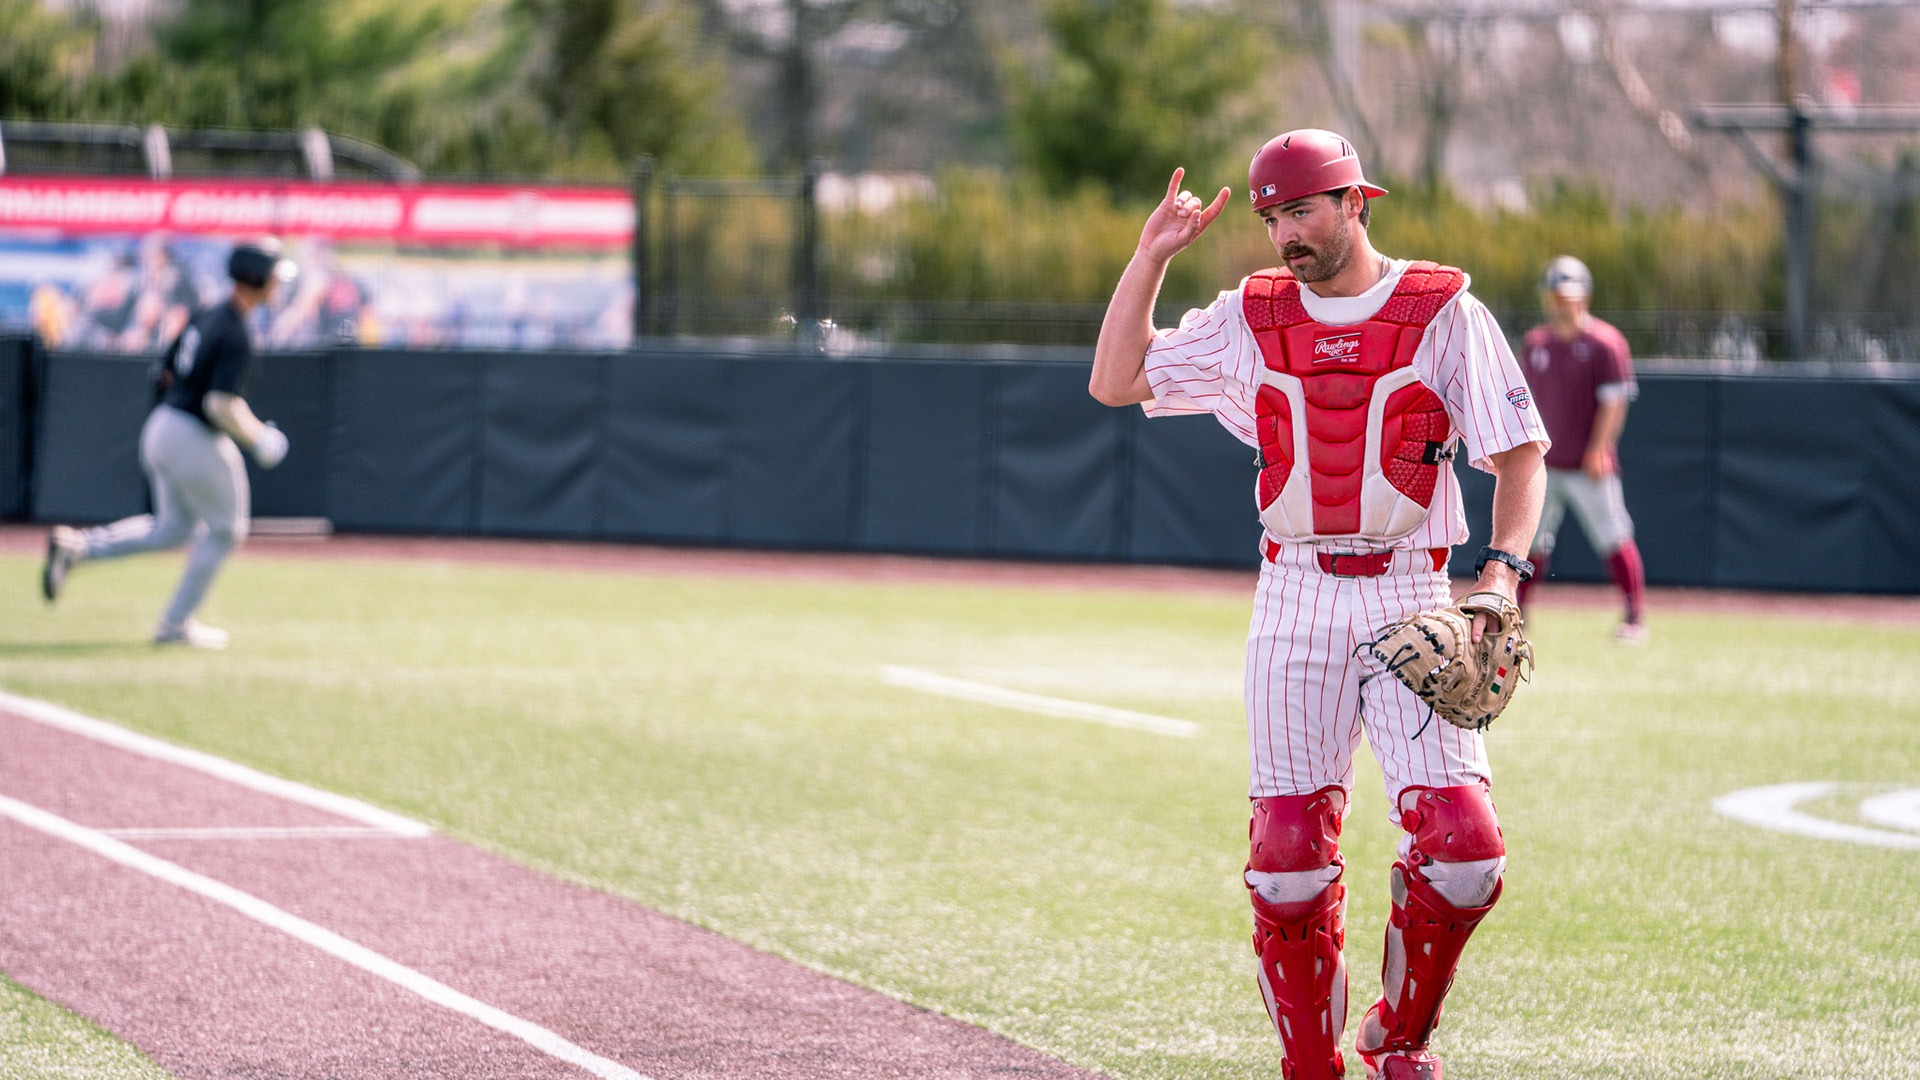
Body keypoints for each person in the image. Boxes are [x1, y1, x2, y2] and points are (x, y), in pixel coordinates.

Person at [1089, 129, 1547, 1080]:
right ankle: (1311, 1068)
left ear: (1355, 203)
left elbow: (1519, 452)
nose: (1284, 234)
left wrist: (1499, 576)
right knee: (1288, 859)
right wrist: (1149, 258)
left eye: (1300, 210)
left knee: (1466, 851)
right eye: (1269, 218)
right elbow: (1116, 380)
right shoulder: (1250, 314)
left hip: (1413, 587)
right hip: (1295, 592)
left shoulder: (1443, 308)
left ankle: (1397, 1038)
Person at [40, 239, 295, 649]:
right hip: (192, 431)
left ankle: (78, 548)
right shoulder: (234, 330)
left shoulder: (207, 313)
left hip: (163, 426)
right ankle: (175, 624)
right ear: (256, 277)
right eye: (273, 278)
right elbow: (219, 403)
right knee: (228, 528)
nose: (277, 286)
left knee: (172, 527)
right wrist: (258, 437)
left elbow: (164, 373)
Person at [1517, 255, 1648, 644]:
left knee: (1613, 535)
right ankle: (1519, 616)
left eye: (1566, 295)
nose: (1559, 303)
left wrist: (1598, 449)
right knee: (1530, 541)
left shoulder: (1605, 343)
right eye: (1554, 295)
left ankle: (1634, 616)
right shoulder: (1537, 343)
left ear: (1583, 297)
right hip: (1546, 464)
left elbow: (1614, 403)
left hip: (1588, 464)